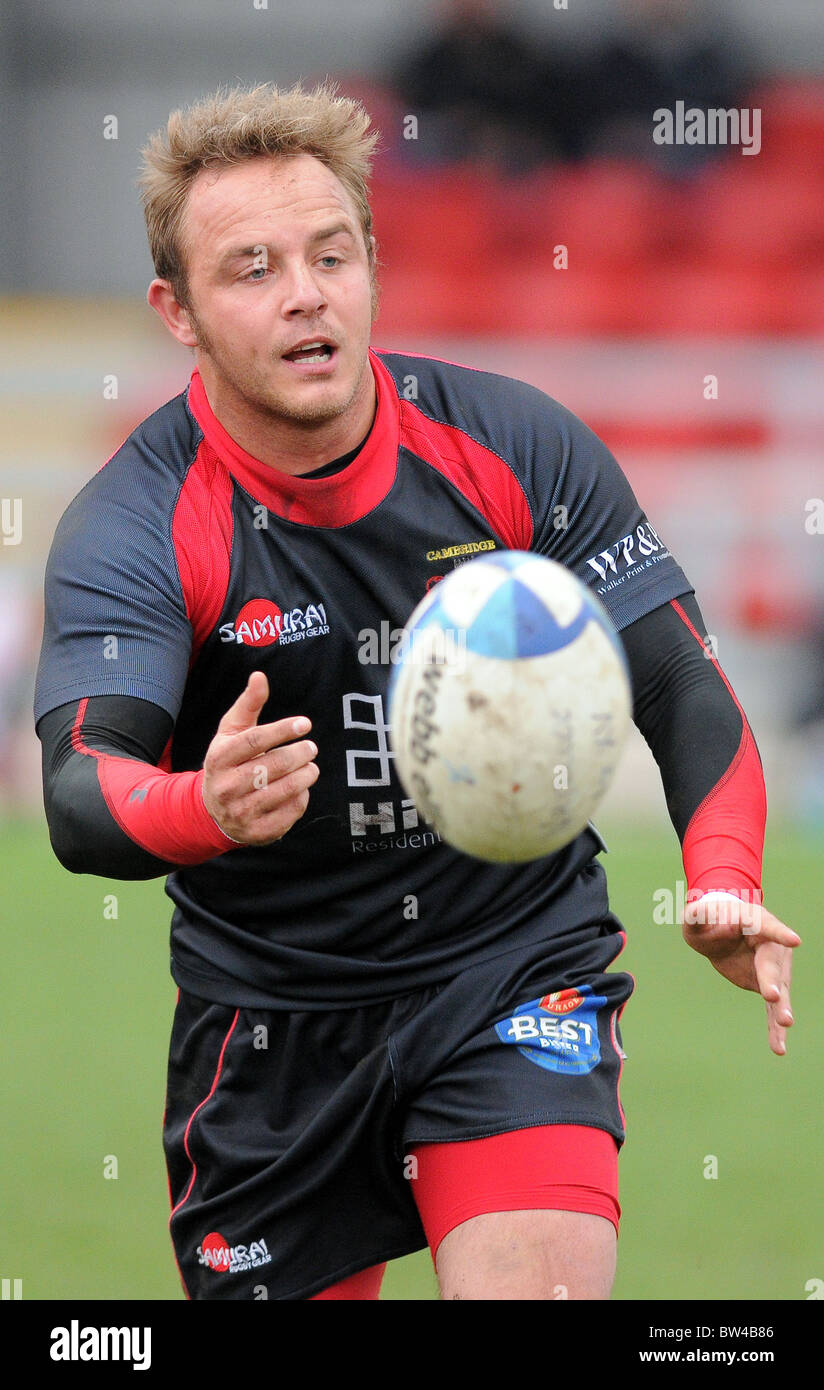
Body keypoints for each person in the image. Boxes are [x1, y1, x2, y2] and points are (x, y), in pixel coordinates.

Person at [34, 82, 798, 1302]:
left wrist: (717, 873)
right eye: (251, 269)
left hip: (510, 965)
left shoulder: (514, 447)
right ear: (175, 312)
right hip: (270, 1023)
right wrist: (200, 806)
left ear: (371, 264)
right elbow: (79, 791)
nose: (305, 293)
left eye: (332, 254)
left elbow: (676, 678)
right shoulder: (136, 521)